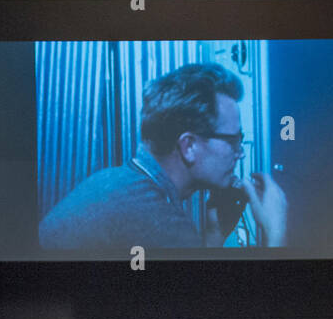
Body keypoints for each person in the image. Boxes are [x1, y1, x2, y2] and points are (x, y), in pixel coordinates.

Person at [38, 62, 287, 253]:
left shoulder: (113, 179)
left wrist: (213, 236)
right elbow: (215, 318)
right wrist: (277, 234)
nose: (241, 152)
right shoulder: (157, 221)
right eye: (233, 141)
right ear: (188, 146)